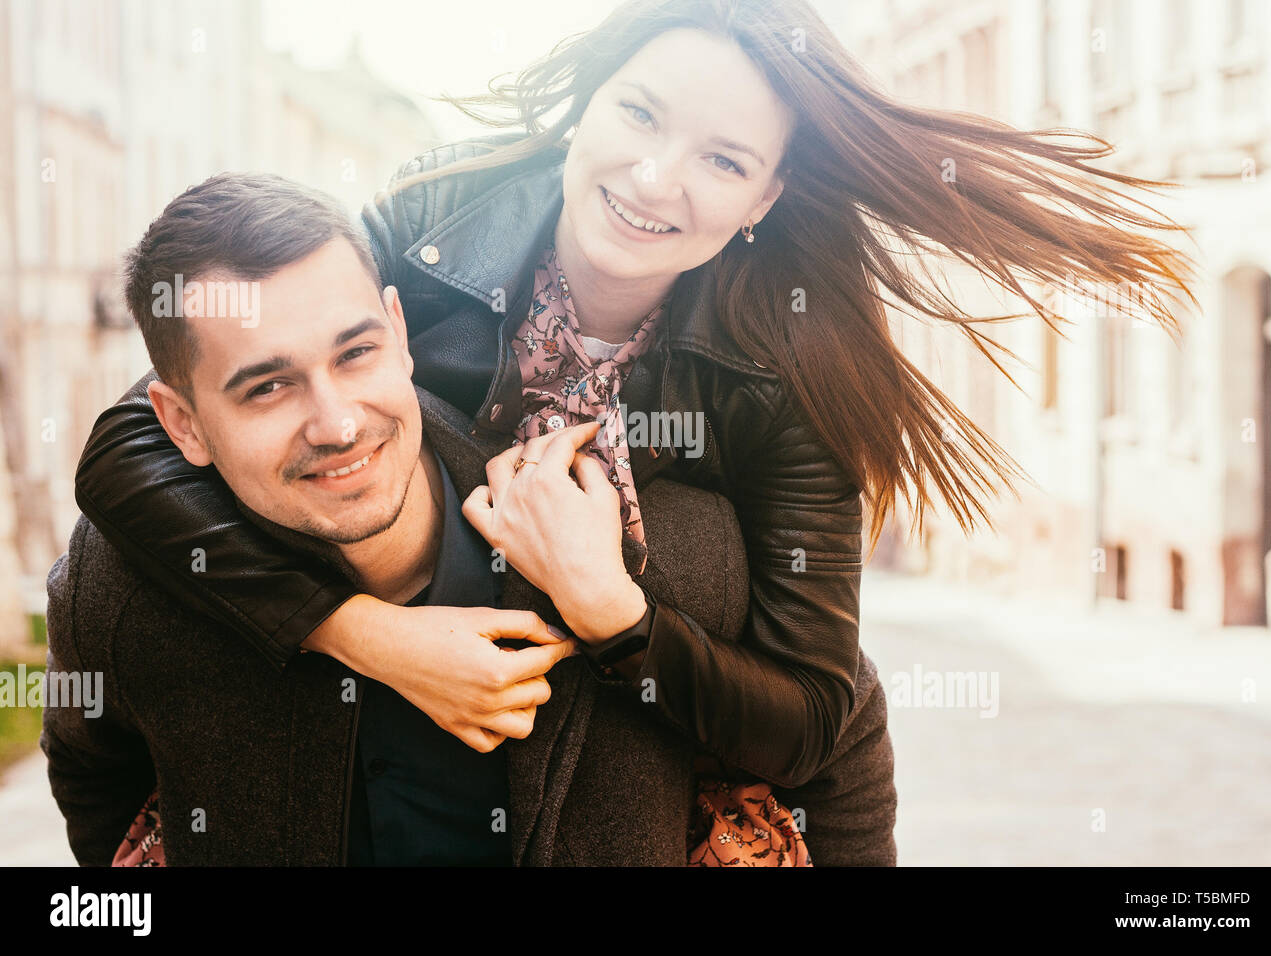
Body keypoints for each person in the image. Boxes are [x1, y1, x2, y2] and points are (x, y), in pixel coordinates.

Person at [70, 0, 1196, 860]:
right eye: (640, 114)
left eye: (723, 161)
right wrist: (362, 634)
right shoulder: (429, 228)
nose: (654, 178)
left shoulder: (783, 378)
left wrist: (615, 610)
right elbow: (137, 447)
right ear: (590, 102)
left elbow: (817, 713)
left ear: (762, 198)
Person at [44, 172, 896, 866]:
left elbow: (837, 732)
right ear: (182, 421)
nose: (337, 422)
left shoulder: (643, 549)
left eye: (356, 353)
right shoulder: (121, 590)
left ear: (401, 333)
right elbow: (94, 771)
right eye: (268, 386)